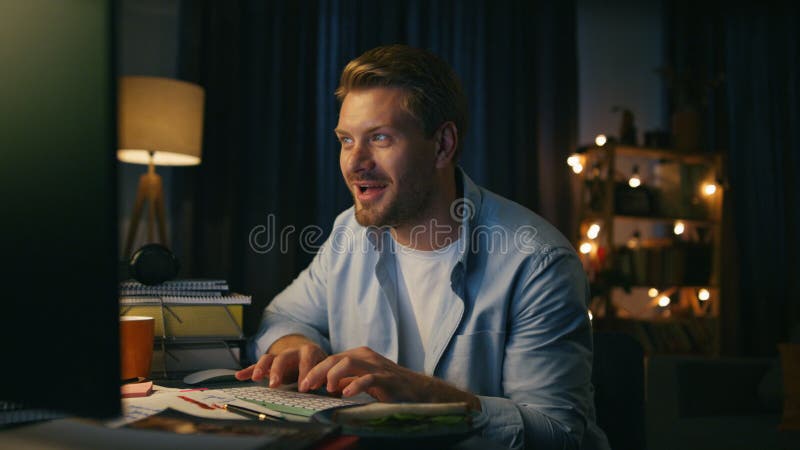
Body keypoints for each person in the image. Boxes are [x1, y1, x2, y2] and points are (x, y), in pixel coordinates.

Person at [236, 44, 610, 450]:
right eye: (346, 140)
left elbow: (558, 436)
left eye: (379, 138)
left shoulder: (537, 262)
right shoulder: (350, 233)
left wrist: (425, 395)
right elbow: (282, 317)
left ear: (443, 144)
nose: (355, 163)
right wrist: (295, 345)